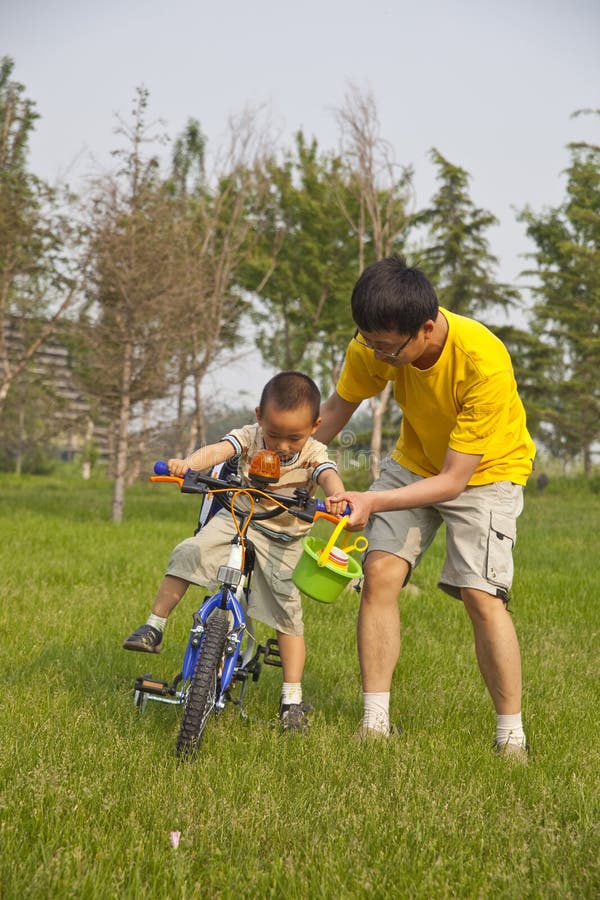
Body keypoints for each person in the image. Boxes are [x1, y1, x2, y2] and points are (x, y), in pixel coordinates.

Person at [316, 255, 535, 760]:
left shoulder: (482, 361)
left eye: (387, 348)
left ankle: (510, 736)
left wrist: (371, 499)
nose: (377, 354)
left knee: (481, 596)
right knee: (380, 573)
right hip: (414, 461)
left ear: (426, 329)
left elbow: (454, 481)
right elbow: (333, 413)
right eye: (369, 342)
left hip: (485, 473)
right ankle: (374, 723)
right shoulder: (374, 341)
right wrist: (276, 452)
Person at [123, 371, 346, 732]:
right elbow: (217, 451)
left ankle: (291, 699)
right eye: (274, 434)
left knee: (288, 614)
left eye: (294, 437)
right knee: (189, 551)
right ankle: (153, 627)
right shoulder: (249, 435)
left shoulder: (314, 452)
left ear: (315, 426)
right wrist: (189, 464)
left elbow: (328, 476)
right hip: (237, 518)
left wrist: (337, 496)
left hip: (283, 538)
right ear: (260, 417)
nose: (282, 446)